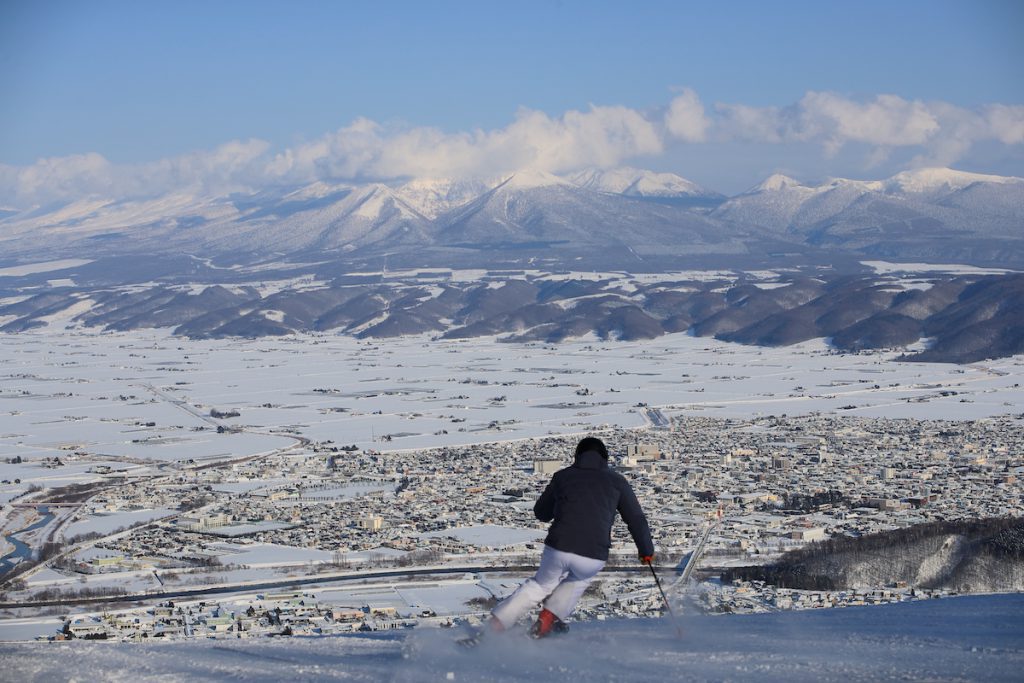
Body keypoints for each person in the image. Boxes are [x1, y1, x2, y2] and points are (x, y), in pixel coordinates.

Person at [488, 436, 655, 638]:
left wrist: (563, 504)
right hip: (593, 554)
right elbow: (636, 518)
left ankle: (496, 625)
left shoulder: (563, 477)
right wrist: (646, 551)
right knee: (578, 580)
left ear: (577, 456)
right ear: (605, 458)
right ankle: (547, 620)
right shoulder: (618, 481)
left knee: (540, 585)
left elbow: (541, 513)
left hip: (559, 546)